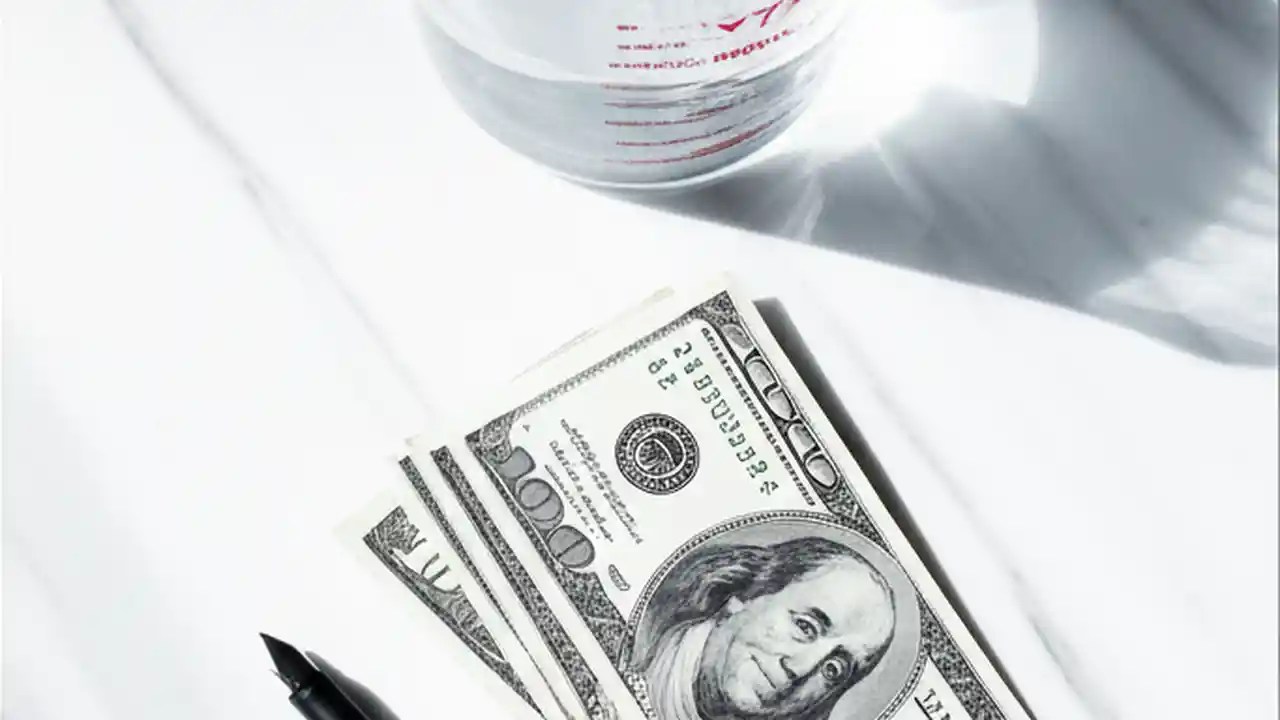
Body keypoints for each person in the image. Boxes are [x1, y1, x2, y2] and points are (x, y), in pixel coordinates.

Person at [635, 536, 895, 720]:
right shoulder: (637, 651)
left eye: (833, 670)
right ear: (743, 596)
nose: (801, 668)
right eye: (805, 626)